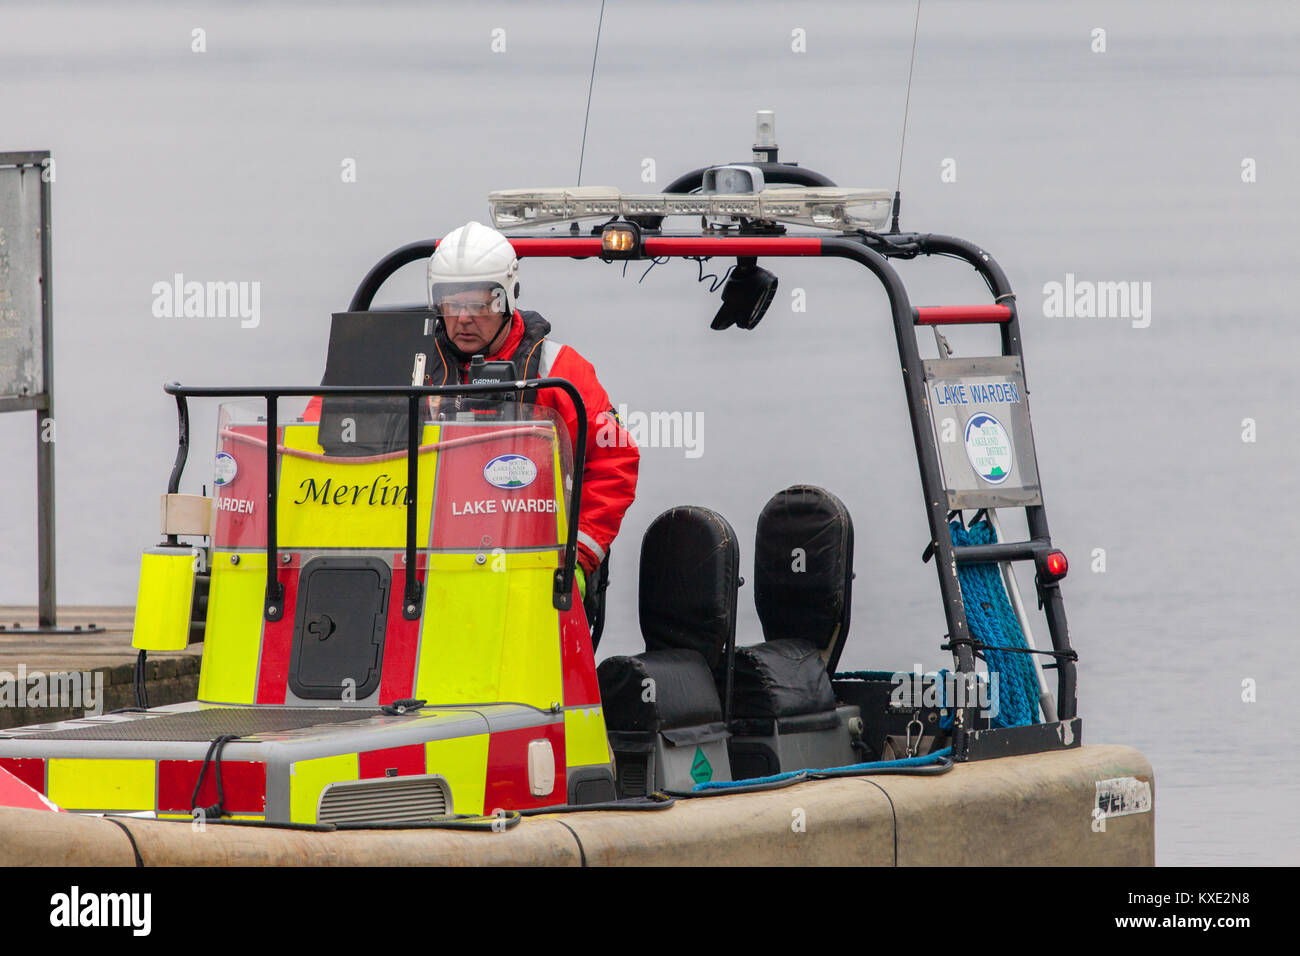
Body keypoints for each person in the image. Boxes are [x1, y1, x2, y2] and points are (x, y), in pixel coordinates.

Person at [310, 221, 639, 602]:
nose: (463, 317)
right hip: (407, 567)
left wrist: (576, 560)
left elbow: (614, 462)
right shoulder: (390, 360)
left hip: (527, 568)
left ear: (507, 299)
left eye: (479, 304)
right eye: (452, 303)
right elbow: (315, 436)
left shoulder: (558, 371)